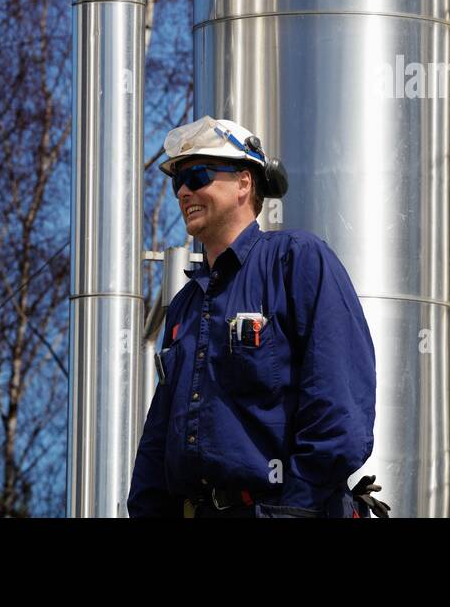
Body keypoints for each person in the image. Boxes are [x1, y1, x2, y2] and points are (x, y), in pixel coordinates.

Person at [128, 116, 385, 518]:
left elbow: (339, 405)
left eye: (197, 175)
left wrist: (295, 508)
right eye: (176, 181)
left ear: (244, 183)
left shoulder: (295, 260)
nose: (183, 191)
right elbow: (160, 436)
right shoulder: (184, 306)